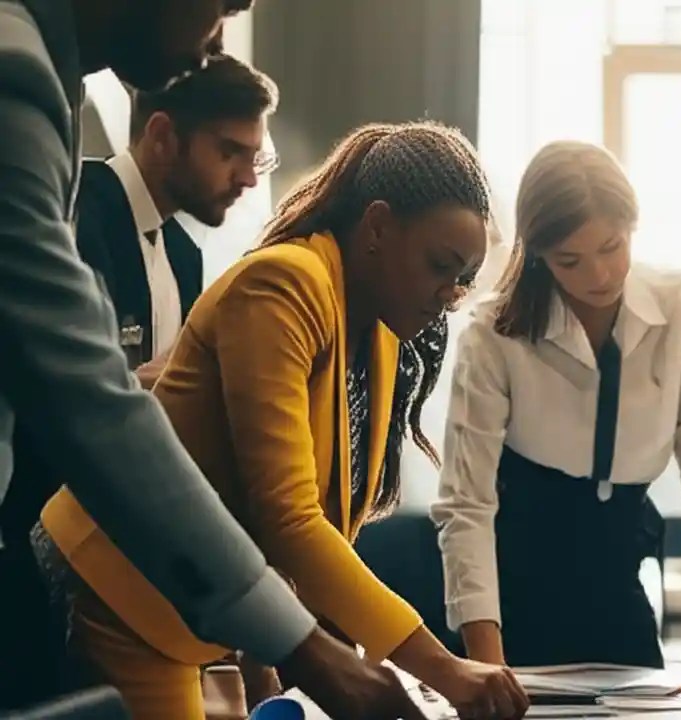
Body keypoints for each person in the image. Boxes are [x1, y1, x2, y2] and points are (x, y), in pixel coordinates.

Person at [0, 1, 426, 717]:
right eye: (223, 4)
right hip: (89, 571)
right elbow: (90, 403)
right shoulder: (17, 76)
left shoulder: (191, 254)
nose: (216, 42)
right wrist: (305, 647)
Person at [34, 121, 530, 720]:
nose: (448, 295)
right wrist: (442, 667)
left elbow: (322, 528)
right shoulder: (285, 285)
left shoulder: (380, 329)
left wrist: (299, 653)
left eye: (463, 281)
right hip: (120, 584)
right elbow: (288, 519)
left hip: (196, 606)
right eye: (439, 266)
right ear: (376, 227)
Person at [432, 140, 681, 669]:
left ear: (633, 227)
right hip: (516, 585)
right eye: (571, 260)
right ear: (539, 255)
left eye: (612, 247)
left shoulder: (680, 304)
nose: (599, 276)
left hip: (619, 571)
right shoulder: (493, 333)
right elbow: (466, 505)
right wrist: (487, 666)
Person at [78, 54, 278, 387]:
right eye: (229, 153)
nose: (249, 179)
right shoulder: (73, 214)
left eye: (255, 159)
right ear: (161, 137)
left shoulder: (185, 255)